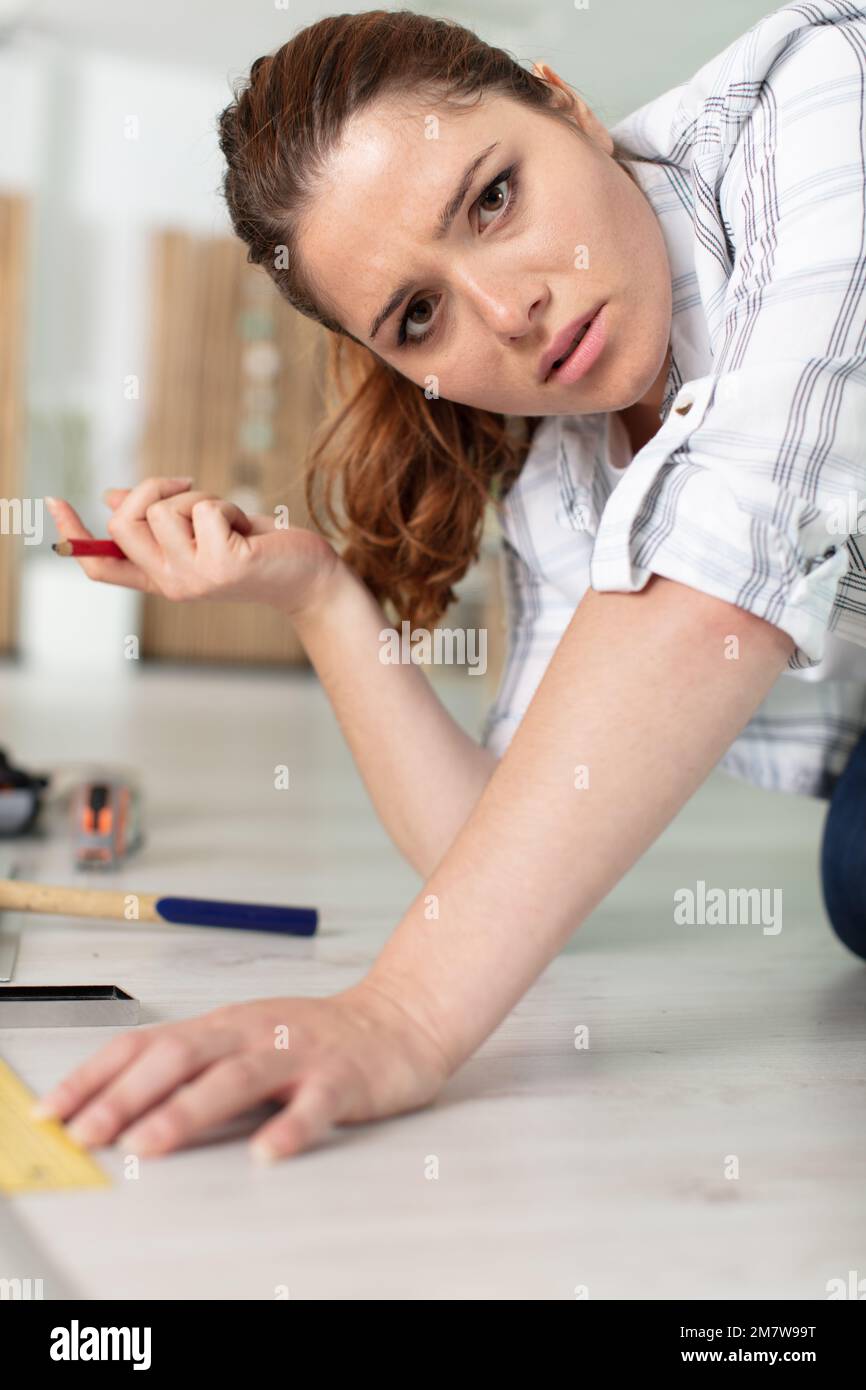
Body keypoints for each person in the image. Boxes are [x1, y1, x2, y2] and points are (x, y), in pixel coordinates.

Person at [39, 2, 866, 1162]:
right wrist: (317, 598)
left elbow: (735, 539)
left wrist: (404, 1014)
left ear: (562, 105)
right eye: (419, 315)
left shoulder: (826, 92)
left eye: (492, 198)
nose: (508, 310)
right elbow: (504, 840)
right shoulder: (560, 457)